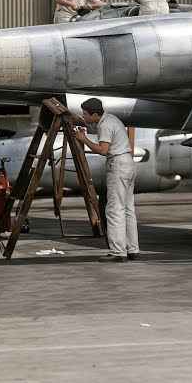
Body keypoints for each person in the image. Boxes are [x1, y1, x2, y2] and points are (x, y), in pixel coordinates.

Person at [72, 98, 139, 262]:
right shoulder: (111, 119)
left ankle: (118, 252)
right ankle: (132, 249)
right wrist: (85, 129)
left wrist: (84, 139)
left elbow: (103, 150)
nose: (83, 116)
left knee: (114, 210)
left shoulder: (105, 125)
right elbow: (96, 128)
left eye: (86, 114)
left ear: (95, 114)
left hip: (118, 166)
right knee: (128, 209)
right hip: (128, 163)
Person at [0, 166, 12, 236]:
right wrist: (7, 192)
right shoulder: (1, 179)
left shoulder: (3, 179)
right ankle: (1, 229)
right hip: (0, 200)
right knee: (1, 215)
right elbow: (1, 189)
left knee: (2, 215)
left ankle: (3, 228)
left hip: (2, 200)